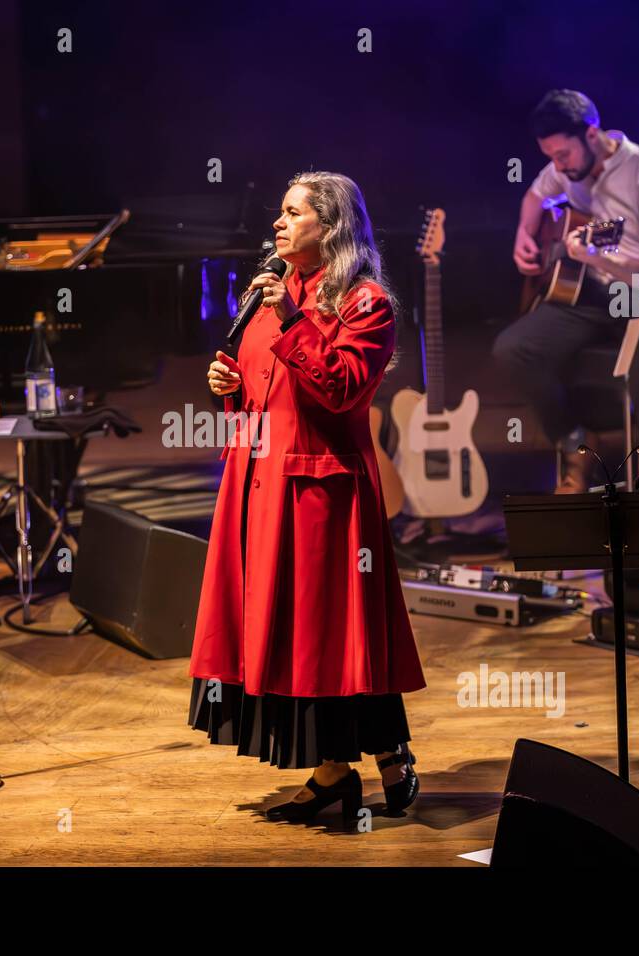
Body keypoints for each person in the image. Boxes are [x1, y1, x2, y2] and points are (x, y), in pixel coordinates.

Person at [188, 171, 426, 827]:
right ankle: (345, 767)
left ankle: (361, 762)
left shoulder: (365, 303)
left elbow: (344, 387)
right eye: (281, 213)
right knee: (296, 634)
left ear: (332, 225)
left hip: (323, 493)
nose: (278, 222)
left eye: (294, 213)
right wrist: (227, 386)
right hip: (261, 483)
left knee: (332, 635)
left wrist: (293, 320)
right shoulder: (270, 298)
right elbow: (264, 389)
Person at [492, 89, 639, 492]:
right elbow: (534, 195)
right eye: (550, 157)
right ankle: (575, 442)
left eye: (562, 155)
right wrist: (523, 236)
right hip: (590, 294)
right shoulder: (567, 168)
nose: (557, 166)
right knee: (512, 350)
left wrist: (592, 256)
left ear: (592, 135)